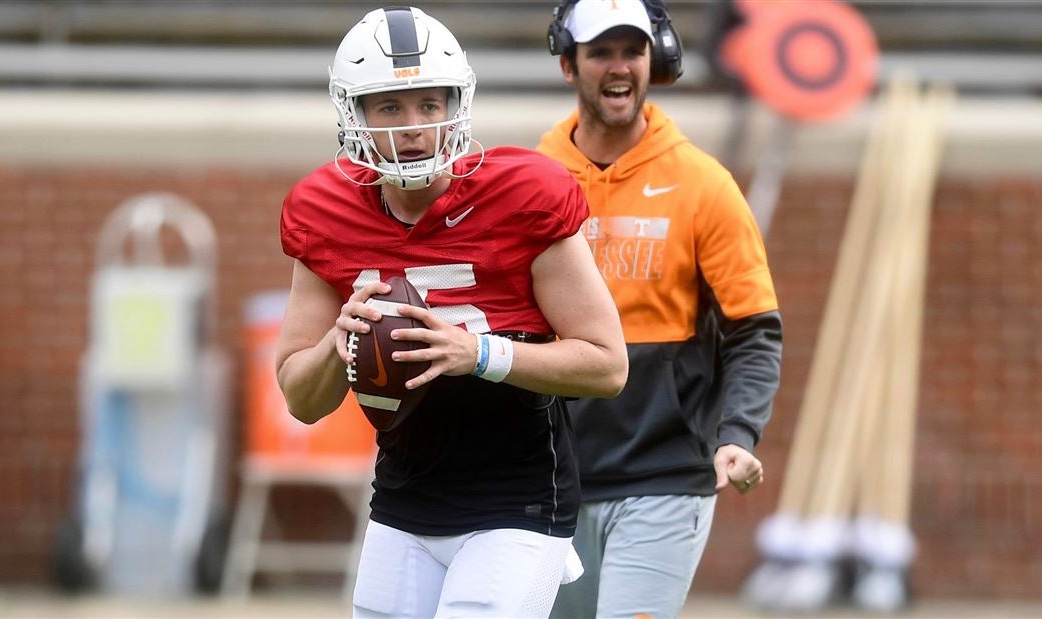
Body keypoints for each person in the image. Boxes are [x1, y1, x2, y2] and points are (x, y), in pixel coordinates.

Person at [274, 6, 628, 618]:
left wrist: (479, 353)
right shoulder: (322, 211)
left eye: (429, 105)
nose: (413, 127)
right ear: (354, 114)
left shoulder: (525, 196)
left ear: (455, 107)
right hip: (404, 498)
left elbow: (607, 365)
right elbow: (302, 401)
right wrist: (339, 342)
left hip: (517, 500)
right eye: (390, 107)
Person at [537, 1, 784, 617]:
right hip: (547, 481)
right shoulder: (530, 182)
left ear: (657, 59)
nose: (619, 67)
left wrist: (738, 432)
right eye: (601, 52)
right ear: (569, 65)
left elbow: (754, 331)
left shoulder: (706, 184)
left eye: (633, 51)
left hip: (666, 476)